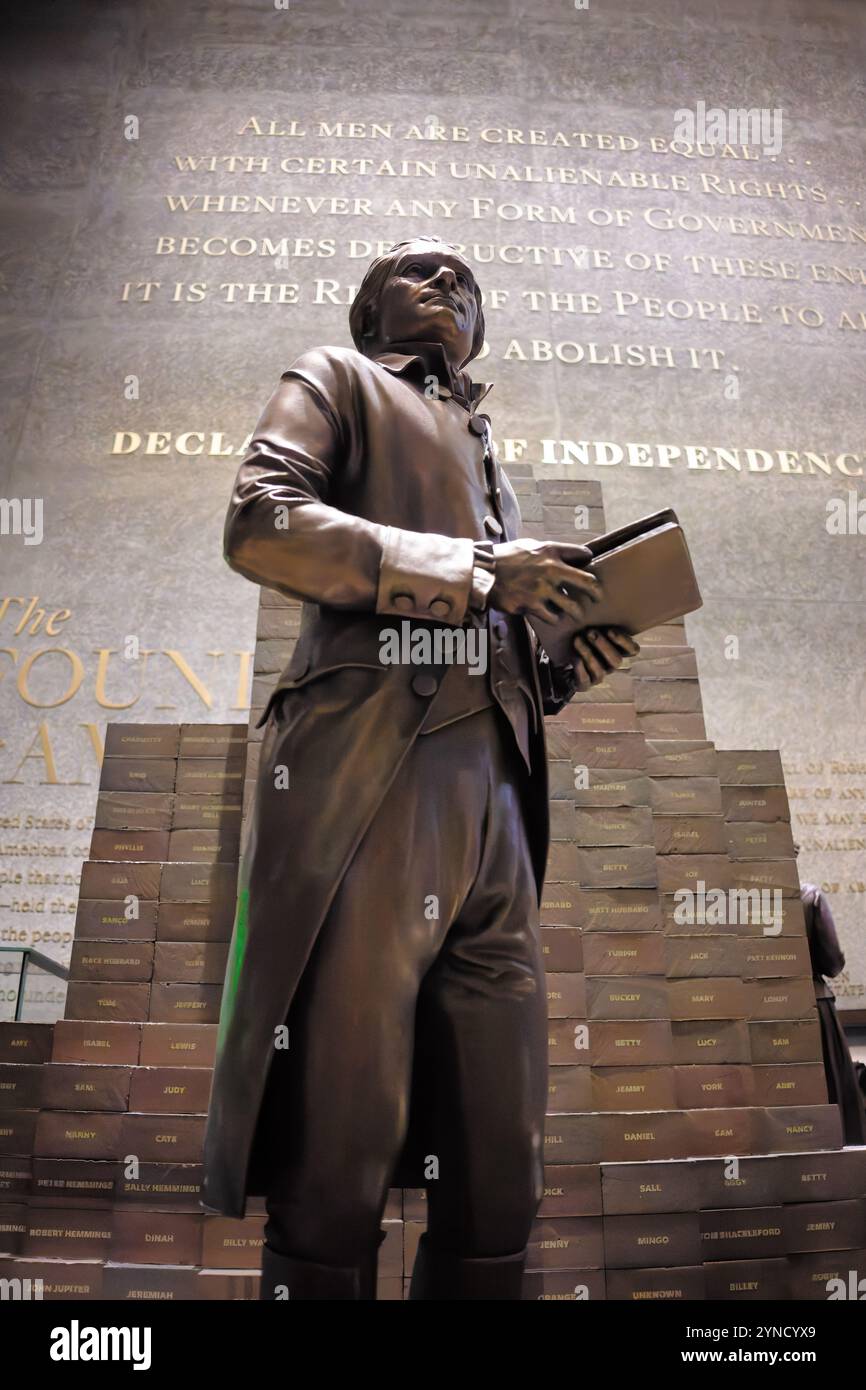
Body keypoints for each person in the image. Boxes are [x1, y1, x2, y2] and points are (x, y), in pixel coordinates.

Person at [201, 236, 638, 1299]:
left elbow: (477, 633)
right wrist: (483, 572)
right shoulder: (335, 377)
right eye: (420, 272)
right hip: (370, 788)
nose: (449, 285)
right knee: (340, 1136)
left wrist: (560, 665)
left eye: (466, 281)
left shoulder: (481, 449)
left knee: (500, 1157)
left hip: (494, 803)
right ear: (368, 311)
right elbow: (261, 522)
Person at [798, 850, 866, 1145]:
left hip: (763, 1008)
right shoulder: (809, 896)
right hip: (813, 1004)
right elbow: (832, 962)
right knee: (831, 1093)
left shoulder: (738, 902)